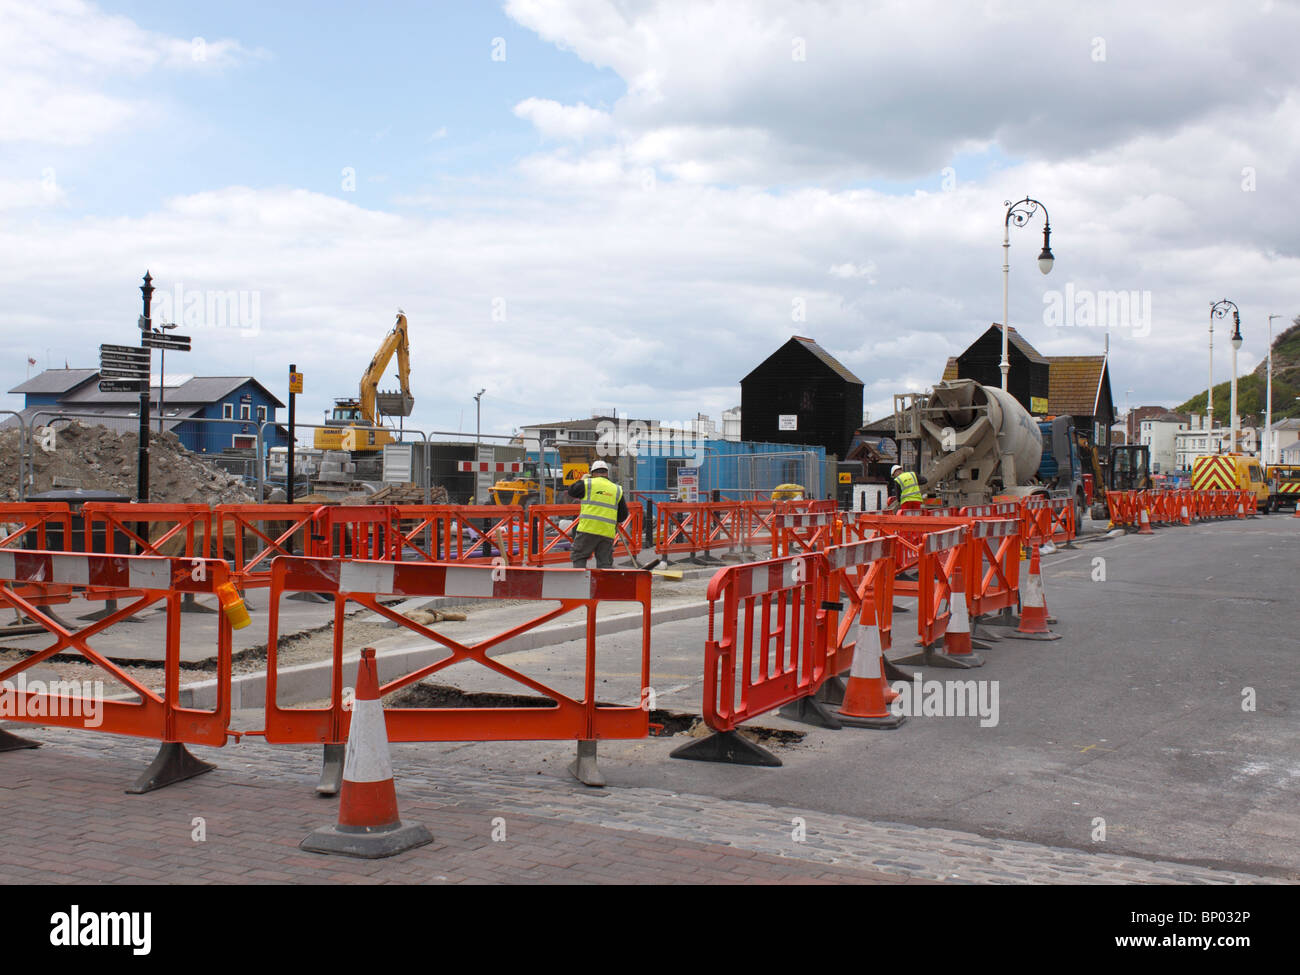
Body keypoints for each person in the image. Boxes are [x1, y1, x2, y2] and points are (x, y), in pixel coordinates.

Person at [566, 460, 628, 568]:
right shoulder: (616, 489)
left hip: (587, 530)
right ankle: (604, 584)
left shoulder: (587, 484)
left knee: (579, 556)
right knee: (605, 563)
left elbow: (571, 491)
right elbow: (623, 515)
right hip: (607, 533)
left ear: (592, 473)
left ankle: (580, 582)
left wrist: (582, 480)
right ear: (607, 474)